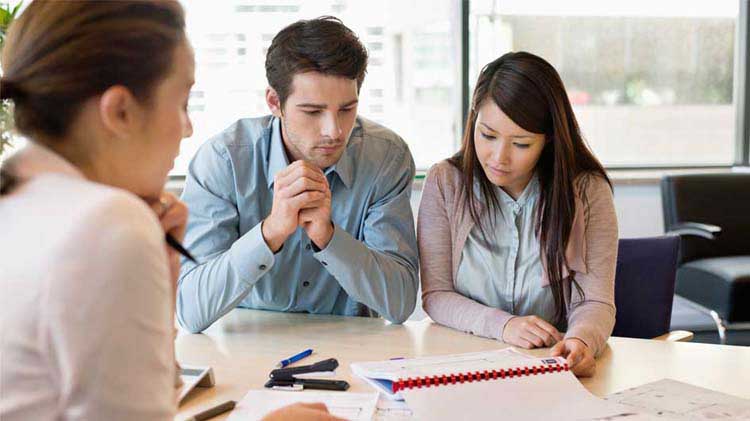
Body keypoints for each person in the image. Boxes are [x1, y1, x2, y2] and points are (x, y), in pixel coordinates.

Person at [0, 1, 341, 420]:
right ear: (120, 111)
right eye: (182, 101)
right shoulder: (106, 223)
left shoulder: (21, 196)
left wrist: (162, 281)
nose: (188, 127)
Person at [176, 16, 419, 333]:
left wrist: (328, 237)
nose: (334, 131)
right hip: (250, 346)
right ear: (274, 102)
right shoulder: (224, 160)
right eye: (313, 111)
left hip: (351, 349)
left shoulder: (386, 157)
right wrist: (271, 233)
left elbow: (400, 304)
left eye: (347, 109)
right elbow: (191, 310)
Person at [418, 51, 618, 377]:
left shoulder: (586, 191)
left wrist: (581, 341)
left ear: (548, 139)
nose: (499, 157)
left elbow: (594, 301)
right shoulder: (445, 182)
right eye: (487, 135)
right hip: (461, 360)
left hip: (547, 366)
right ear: (473, 120)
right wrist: (503, 325)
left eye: (521, 144)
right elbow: (436, 295)